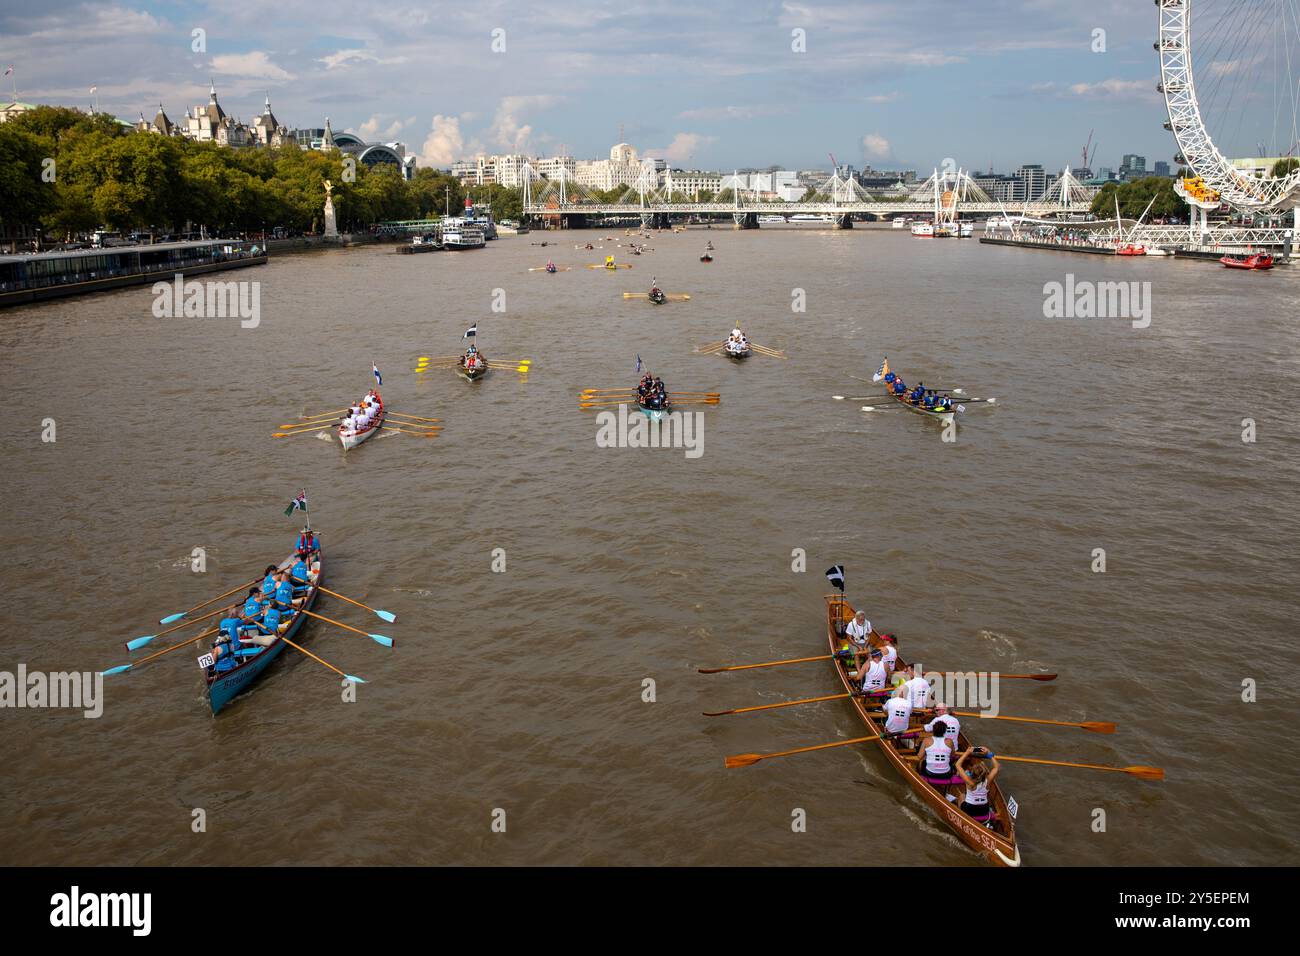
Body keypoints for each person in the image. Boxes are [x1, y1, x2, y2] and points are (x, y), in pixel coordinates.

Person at [955, 747, 1000, 824]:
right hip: (984, 809)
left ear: (972, 773)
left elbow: (958, 765)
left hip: (969, 809)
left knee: (962, 796)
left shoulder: (969, 782)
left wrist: (967, 752)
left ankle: (961, 817)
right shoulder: (988, 780)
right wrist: (989, 754)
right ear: (984, 774)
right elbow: (997, 767)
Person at [918, 719, 958, 790]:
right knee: (952, 762)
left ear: (933, 730)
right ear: (944, 731)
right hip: (946, 774)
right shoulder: (950, 741)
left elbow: (919, 756)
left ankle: (919, 778)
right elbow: (953, 755)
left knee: (921, 762)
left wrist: (927, 756)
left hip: (929, 773)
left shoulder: (926, 740)